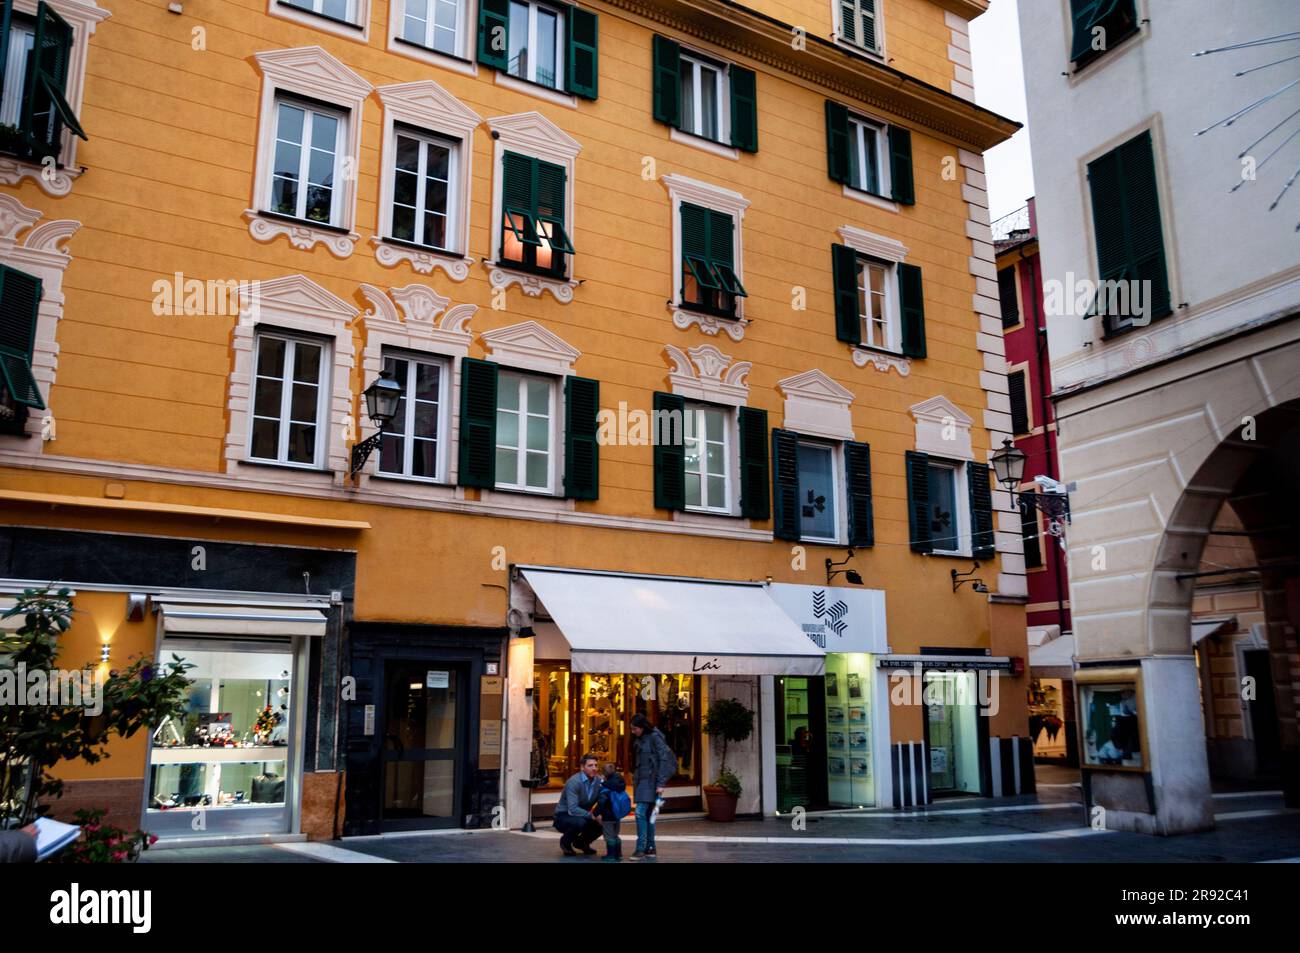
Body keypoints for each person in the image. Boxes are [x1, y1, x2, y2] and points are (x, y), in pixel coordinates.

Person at [629, 713, 676, 860]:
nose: (633, 731)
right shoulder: (639, 738)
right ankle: (650, 848)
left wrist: (661, 784)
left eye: (635, 728)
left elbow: (663, 759)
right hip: (642, 781)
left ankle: (640, 848)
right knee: (649, 816)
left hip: (652, 782)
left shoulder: (655, 737)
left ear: (642, 727)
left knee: (640, 813)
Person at [552, 753, 603, 856]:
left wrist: (600, 814)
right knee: (580, 823)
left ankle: (581, 843)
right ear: (582, 767)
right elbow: (573, 809)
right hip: (564, 815)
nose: (594, 768)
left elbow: (603, 799)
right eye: (590, 765)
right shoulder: (574, 782)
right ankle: (565, 843)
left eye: (596, 765)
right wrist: (592, 816)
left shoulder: (598, 781)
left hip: (583, 815)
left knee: (604, 823)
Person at [594, 763, 631, 863]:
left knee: (609, 836)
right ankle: (618, 855)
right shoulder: (619, 786)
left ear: (605, 776)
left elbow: (601, 803)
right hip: (616, 815)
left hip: (607, 817)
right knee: (615, 835)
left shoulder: (605, 789)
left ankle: (611, 856)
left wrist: (595, 813)